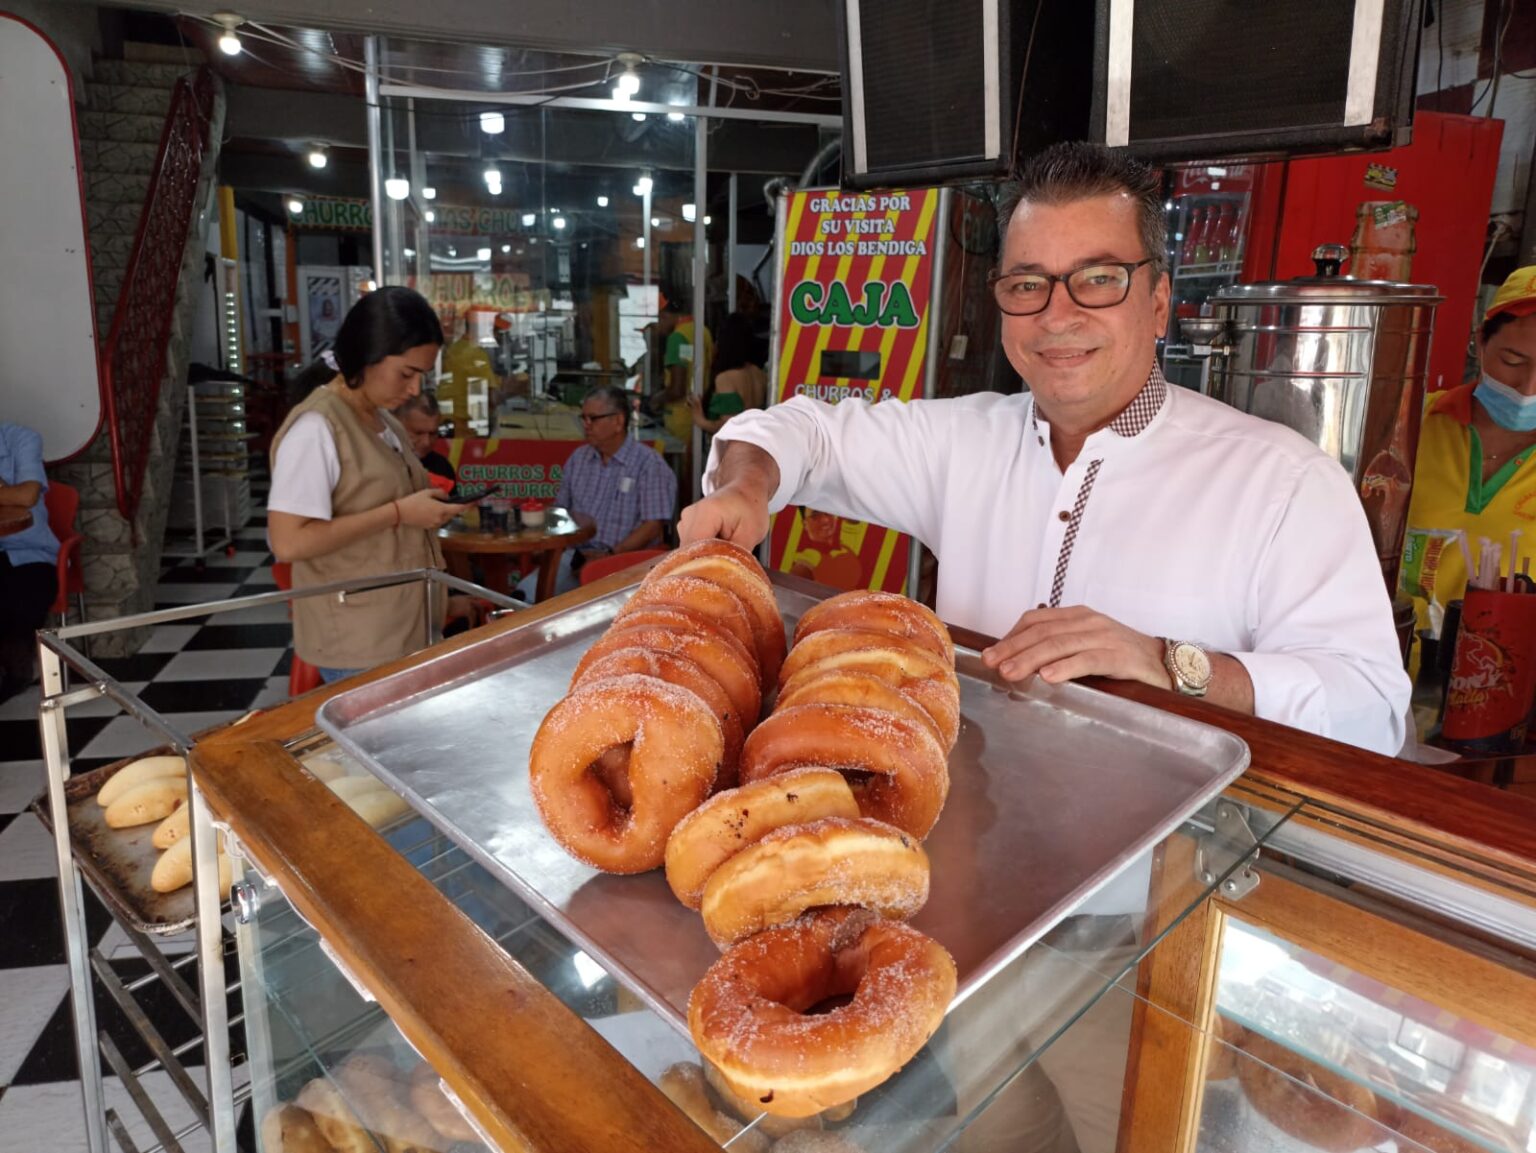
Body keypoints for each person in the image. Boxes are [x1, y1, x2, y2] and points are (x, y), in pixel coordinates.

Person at [680, 142, 1412, 1150]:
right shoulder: (970, 439)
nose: (1059, 314)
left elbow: (1372, 704)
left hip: (1149, 941)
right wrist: (747, 486)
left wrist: (1177, 663)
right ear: (1000, 301)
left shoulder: (1278, 481)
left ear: (1159, 301)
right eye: (1030, 285)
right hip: (961, 929)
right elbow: (801, 426)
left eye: (1098, 279)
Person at [267, 287, 466, 684]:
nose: (413, 390)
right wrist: (398, 514)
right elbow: (288, 542)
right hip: (360, 636)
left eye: (421, 377)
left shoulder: (384, 421)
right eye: (406, 374)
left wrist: (426, 506)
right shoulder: (316, 428)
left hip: (406, 624)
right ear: (368, 354)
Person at [1404, 266, 1536, 625]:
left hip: (1508, 670)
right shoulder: (1411, 425)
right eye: (1512, 361)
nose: (1527, 388)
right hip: (1389, 661)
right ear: (1480, 342)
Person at [518, 385, 675, 600]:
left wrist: (610, 556)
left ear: (618, 421)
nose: (586, 425)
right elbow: (560, 510)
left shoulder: (648, 464)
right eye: (583, 418)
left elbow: (652, 526)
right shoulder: (579, 459)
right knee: (524, 597)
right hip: (576, 556)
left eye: (593, 419)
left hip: (625, 562)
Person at [0, 422, 60, 700]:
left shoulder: (21, 440)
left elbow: (27, 495)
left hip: (29, 552)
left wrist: (13, 493)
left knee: (21, 597)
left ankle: (18, 669)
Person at [687, 311, 768, 435]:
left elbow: (728, 425)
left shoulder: (725, 378)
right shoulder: (758, 373)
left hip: (732, 448)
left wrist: (700, 421)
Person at [655, 293, 714, 444]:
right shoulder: (703, 331)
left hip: (679, 420)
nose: (658, 328)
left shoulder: (677, 337)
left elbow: (677, 389)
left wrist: (655, 400)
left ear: (665, 316)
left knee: (680, 466)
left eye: (658, 321)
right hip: (698, 414)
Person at [438, 313, 499, 436]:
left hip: (447, 420)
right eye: (495, 330)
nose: (496, 335)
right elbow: (489, 399)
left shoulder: (455, 349)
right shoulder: (477, 355)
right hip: (464, 428)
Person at [395, 392, 457, 491]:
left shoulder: (442, 467)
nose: (426, 442)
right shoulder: (381, 465)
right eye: (418, 433)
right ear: (397, 425)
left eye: (433, 434)